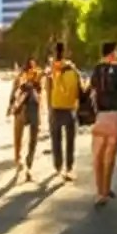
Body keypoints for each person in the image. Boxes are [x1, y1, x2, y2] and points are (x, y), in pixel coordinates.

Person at [90, 42, 117, 207]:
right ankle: (106, 190)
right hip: (115, 115)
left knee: (98, 154)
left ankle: (99, 191)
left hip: (100, 115)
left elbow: (92, 91)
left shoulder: (96, 70)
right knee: (109, 156)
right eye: (116, 52)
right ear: (112, 53)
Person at [49, 43, 81, 181]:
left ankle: (58, 166)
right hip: (70, 107)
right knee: (70, 140)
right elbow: (79, 88)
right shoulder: (73, 69)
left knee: (56, 139)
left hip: (56, 106)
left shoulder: (52, 68)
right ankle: (69, 168)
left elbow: (48, 87)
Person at [8, 58, 42, 181]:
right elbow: (14, 92)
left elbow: (14, 92)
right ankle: (21, 161)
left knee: (26, 138)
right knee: (23, 137)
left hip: (26, 109)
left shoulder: (36, 75)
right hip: (24, 109)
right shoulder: (24, 76)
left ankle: (25, 163)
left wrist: (11, 106)